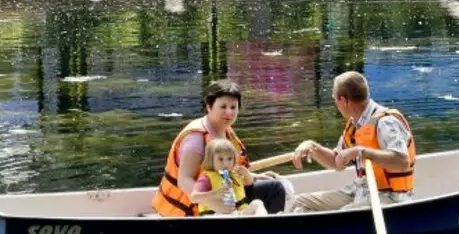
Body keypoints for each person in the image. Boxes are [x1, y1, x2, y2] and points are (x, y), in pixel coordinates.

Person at [152, 79, 292, 217]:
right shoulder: (195, 138)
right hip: (197, 207)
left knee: (277, 186)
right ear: (209, 106)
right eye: (223, 107)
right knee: (275, 189)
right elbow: (184, 180)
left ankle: (264, 232)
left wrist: (254, 177)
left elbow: (226, 171)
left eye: (233, 107)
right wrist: (212, 202)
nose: (229, 112)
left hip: (227, 195)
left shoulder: (226, 131)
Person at [289, 71, 416, 213]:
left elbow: (402, 162)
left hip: (391, 196)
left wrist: (360, 152)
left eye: (334, 99)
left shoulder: (386, 122)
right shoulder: (355, 124)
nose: (335, 104)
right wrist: (312, 147)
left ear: (343, 101)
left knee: (342, 214)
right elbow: (337, 162)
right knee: (297, 202)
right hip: (360, 190)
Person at [192, 138, 267, 216]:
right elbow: (194, 198)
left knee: (257, 203)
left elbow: (249, 183)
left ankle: (264, 224)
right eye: (220, 159)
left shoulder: (234, 173)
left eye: (229, 159)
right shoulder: (206, 178)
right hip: (216, 215)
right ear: (211, 160)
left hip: (238, 213)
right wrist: (215, 194)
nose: (226, 163)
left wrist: (246, 174)